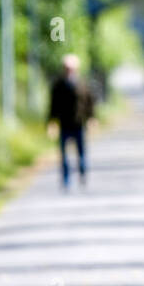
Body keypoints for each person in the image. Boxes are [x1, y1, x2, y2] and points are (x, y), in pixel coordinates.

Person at [48, 55, 95, 188]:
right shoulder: (58, 85)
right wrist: (51, 122)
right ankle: (66, 180)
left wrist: (91, 118)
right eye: (67, 68)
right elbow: (53, 105)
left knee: (81, 153)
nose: (69, 70)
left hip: (79, 123)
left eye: (71, 68)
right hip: (64, 124)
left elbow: (89, 103)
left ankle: (82, 172)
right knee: (64, 155)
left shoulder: (83, 84)